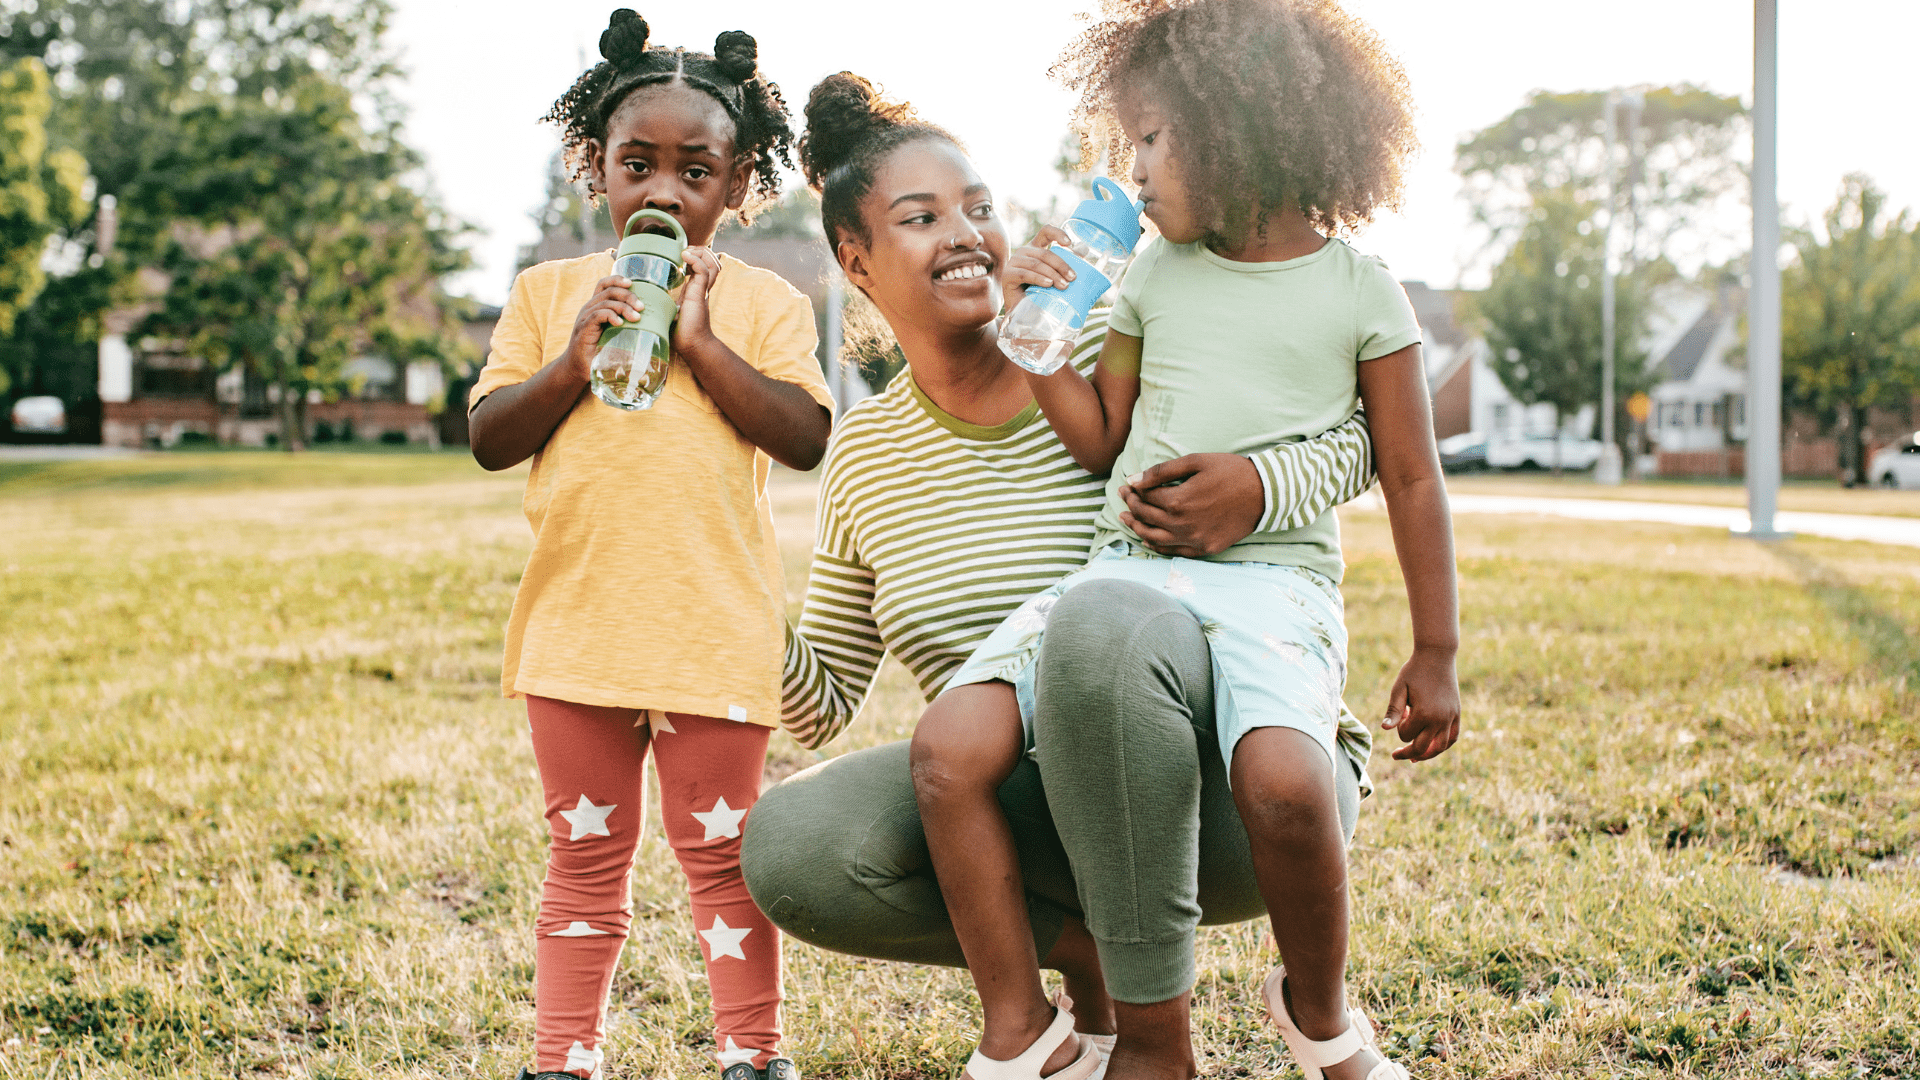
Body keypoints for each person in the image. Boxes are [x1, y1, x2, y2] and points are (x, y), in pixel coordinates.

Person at [737, 71, 1379, 1080]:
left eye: (979, 209)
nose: (966, 234)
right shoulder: (865, 460)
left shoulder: (1097, 346)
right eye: (921, 218)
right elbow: (819, 704)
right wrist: (720, 565)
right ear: (856, 262)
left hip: (1229, 799)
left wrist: (1259, 482)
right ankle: (1079, 986)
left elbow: (1358, 431)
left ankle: (1150, 1034)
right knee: (794, 845)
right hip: (1028, 816)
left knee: (1100, 620)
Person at [925, 2, 1462, 1078]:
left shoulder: (1360, 289)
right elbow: (1101, 442)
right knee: (946, 754)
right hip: (1124, 579)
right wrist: (1036, 344)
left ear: (1246, 130)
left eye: (1156, 140)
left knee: (1291, 792)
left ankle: (1320, 1017)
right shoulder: (1152, 277)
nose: (1137, 168)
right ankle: (1020, 1026)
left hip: (1273, 590)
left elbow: (1410, 471)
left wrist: (1437, 650)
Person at [466, 12, 832, 1080]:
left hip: (713, 634)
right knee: (583, 860)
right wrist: (577, 353)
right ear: (597, 169)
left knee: (724, 861)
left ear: (736, 182)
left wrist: (701, 341)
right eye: (638, 165)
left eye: (695, 170)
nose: (664, 193)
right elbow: (491, 437)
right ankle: (563, 1058)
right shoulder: (547, 295)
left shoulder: (763, 299)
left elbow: (804, 435)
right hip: (578, 634)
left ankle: (753, 1055)